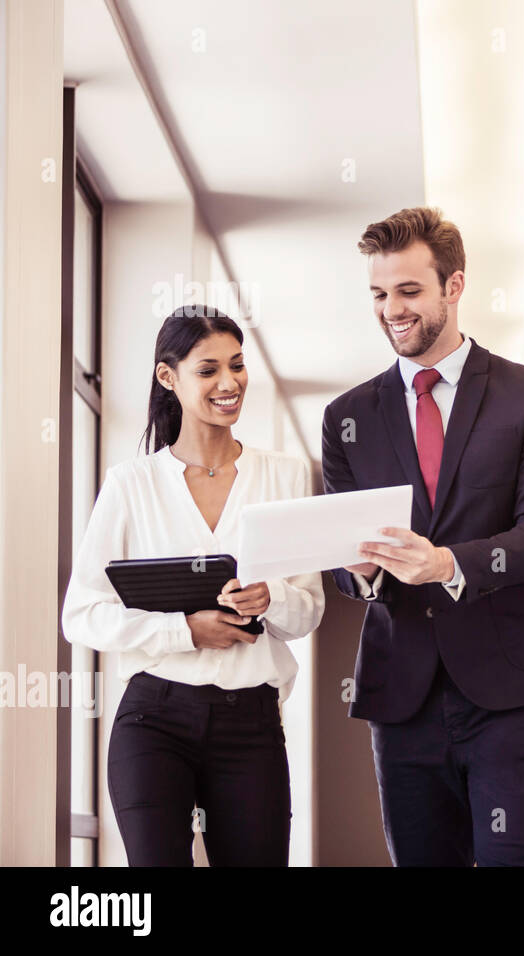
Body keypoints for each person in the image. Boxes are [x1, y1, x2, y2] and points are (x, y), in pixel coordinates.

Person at [321, 206, 524, 867]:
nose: (392, 310)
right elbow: (340, 561)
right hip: (402, 700)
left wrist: (446, 564)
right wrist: (366, 571)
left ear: (454, 286)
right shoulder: (347, 417)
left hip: (513, 697)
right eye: (379, 295)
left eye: (409, 291)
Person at [61, 306, 325, 866]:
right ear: (168, 377)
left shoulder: (286, 475)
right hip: (153, 718)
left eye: (236, 366)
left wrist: (271, 597)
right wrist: (185, 631)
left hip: (251, 721)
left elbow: (308, 613)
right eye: (208, 371)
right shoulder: (130, 485)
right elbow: (82, 613)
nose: (229, 384)